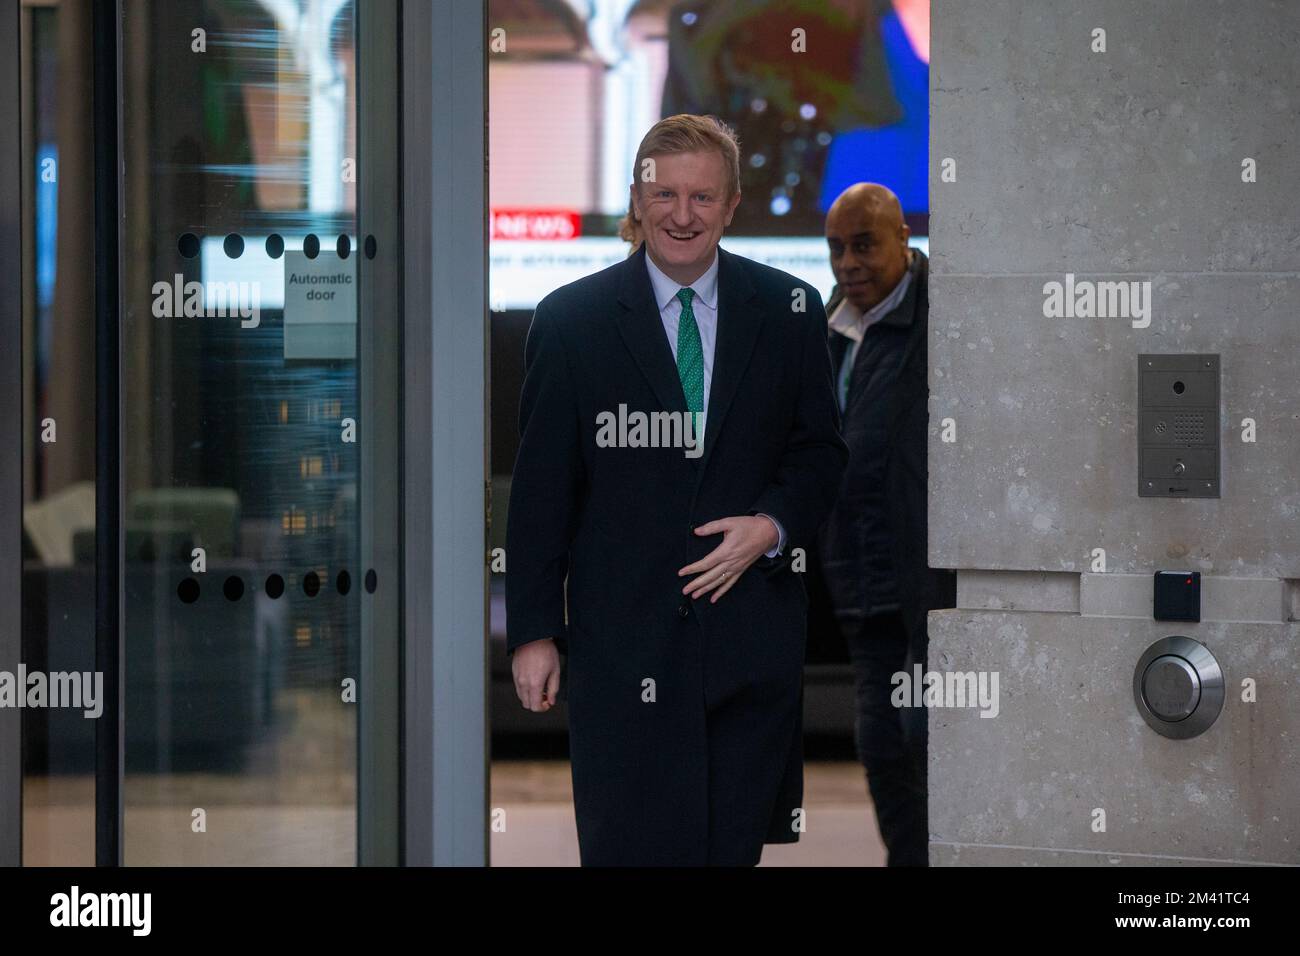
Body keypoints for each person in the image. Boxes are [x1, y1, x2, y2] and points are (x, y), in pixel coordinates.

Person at [506, 114, 847, 866]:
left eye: (702, 197)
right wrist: (534, 631)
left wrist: (771, 525)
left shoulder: (790, 314)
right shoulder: (572, 322)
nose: (682, 215)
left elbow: (822, 453)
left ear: (731, 206)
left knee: (728, 853)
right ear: (637, 197)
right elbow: (539, 494)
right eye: (664, 194)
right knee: (628, 848)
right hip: (621, 651)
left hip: (747, 643)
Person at [817, 182, 956, 866]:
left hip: (930, 588)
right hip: (859, 587)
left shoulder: (947, 319)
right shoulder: (831, 328)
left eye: (864, 244)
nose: (849, 263)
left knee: (925, 740)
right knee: (880, 747)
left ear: (904, 237)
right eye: (837, 248)